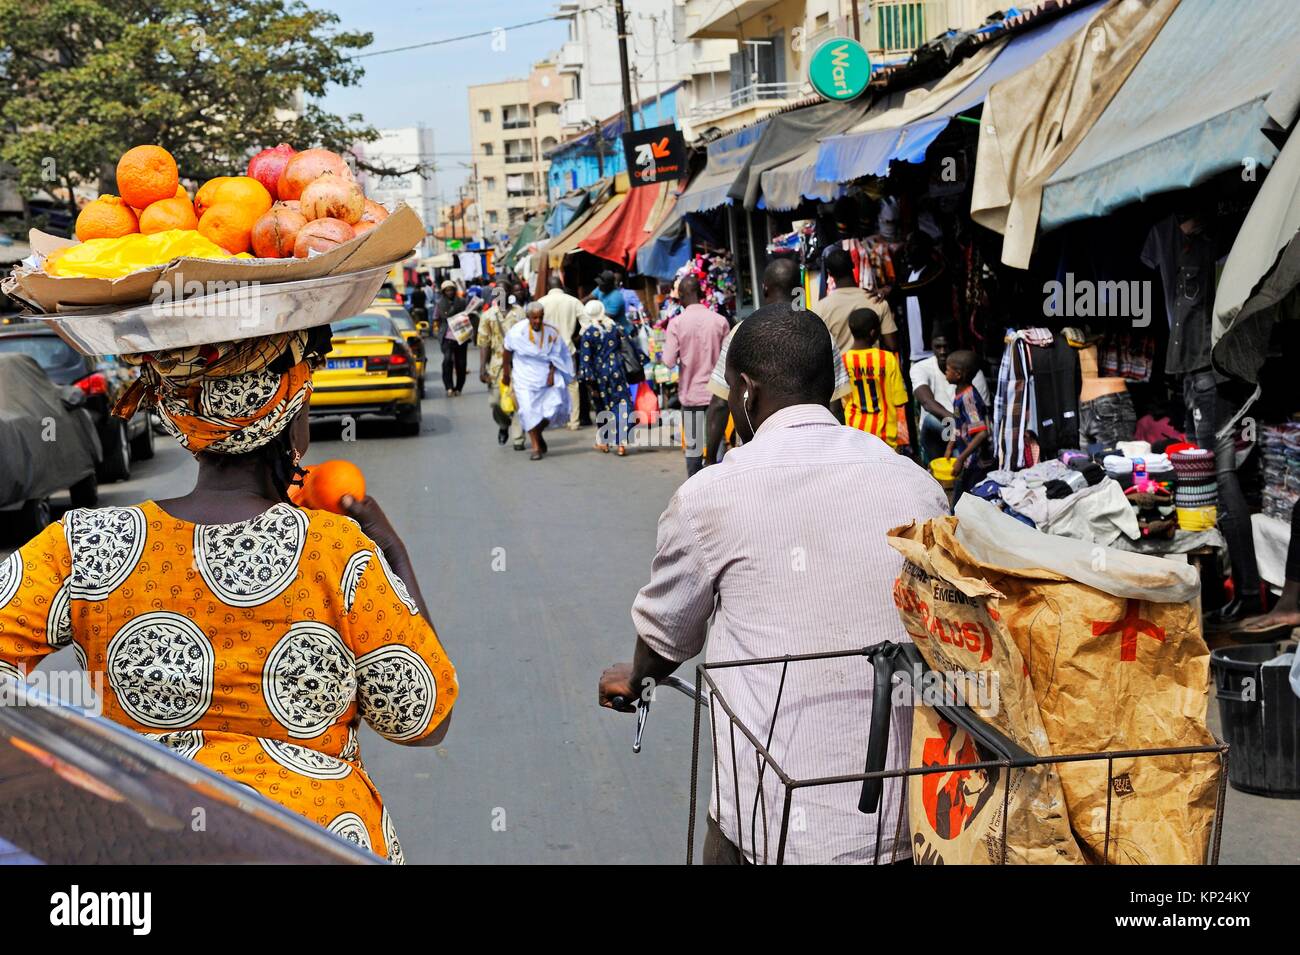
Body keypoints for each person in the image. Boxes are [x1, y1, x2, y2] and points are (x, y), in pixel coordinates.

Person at [0, 328, 457, 862]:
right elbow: (423, 721)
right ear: (293, 408)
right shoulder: (339, 551)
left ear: (175, 413)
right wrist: (394, 556)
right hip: (319, 841)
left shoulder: (83, 545)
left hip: (148, 841)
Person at [598, 302, 949, 865]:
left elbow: (666, 637)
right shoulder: (915, 484)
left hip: (773, 820)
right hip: (910, 821)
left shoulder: (710, 495)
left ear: (745, 390)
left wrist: (637, 678)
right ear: (829, 388)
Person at [704, 257, 854, 466]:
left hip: (755, 459)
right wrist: (839, 451)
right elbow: (835, 403)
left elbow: (720, 403)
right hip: (816, 454)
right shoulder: (819, 332)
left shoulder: (741, 332)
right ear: (799, 289)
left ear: (765, 289)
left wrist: (709, 458)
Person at [662, 274, 728, 476]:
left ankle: (696, 497)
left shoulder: (676, 324)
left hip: (691, 396)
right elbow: (729, 359)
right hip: (718, 396)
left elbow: (669, 361)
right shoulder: (720, 321)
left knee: (694, 453)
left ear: (681, 296)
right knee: (718, 450)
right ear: (700, 294)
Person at [909, 325, 991, 466]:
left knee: (959, 469)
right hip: (946, 427)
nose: (942, 352)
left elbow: (982, 430)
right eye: (938, 347)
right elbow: (927, 403)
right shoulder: (921, 368)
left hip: (965, 435)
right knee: (932, 420)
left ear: (959, 375)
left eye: (946, 346)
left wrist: (960, 458)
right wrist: (956, 424)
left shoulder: (969, 393)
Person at [502, 301, 573, 461]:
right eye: (534, 318)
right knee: (528, 411)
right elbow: (507, 350)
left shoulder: (551, 332)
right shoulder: (517, 332)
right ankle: (535, 447)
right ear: (528, 317)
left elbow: (558, 355)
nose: (537, 321)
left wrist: (551, 373)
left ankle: (538, 433)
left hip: (546, 375)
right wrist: (506, 373)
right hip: (524, 377)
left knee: (553, 409)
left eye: (540, 318)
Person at [841, 307, 908, 447]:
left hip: (855, 433)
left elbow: (840, 401)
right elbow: (899, 401)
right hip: (885, 436)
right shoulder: (887, 359)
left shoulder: (843, 361)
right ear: (873, 332)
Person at [817, 246, 898, 356]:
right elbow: (892, 345)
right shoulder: (876, 300)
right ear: (853, 265)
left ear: (829, 273)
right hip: (874, 370)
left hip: (841, 371)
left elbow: (819, 350)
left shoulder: (821, 308)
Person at [579, 299, 635, 456]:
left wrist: (589, 384)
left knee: (602, 407)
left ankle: (604, 442)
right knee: (621, 405)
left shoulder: (588, 333)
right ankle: (621, 444)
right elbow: (630, 345)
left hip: (600, 375)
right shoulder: (615, 327)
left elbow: (585, 361)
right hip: (618, 370)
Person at [478, 293, 526, 448]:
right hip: (496, 365)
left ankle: (518, 438)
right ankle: (504, 424)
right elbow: (484, 342)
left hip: (518, 362)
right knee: (495, 402)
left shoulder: (519, 313)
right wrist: (482, 368)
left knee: (518, 401)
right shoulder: (487, 315)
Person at [944, 349, 995, 495]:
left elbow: (982, 433)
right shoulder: (959, 393)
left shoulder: (968, 400)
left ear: (958, 374)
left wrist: (960, 458)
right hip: (968, 459)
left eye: (948, 370)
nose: (945, 373)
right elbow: (959, 423)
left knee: (970, 495)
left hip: (977, 462)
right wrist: (950, 445)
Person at [541, 274, 585, 431]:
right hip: (568, 348)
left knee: (548, 383)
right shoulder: (573, 301)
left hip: (547, 350)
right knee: (572, 384)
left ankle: (551, 418)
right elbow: (586, 325)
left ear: (548, 288)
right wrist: (576, 338)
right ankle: (574, 421)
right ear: (562, 286)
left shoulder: (541, 303)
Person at [436, 280, 469, 396]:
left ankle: (459, 387)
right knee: (447, 361)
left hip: (461, 336)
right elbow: (437, 318)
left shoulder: (462, 302)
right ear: (444, 292)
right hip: (447, 337)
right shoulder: (440, 304)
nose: (449, 292)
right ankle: (449, 387)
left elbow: (468, 315)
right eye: (447, 290)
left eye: (451, 290)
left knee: (461, 364)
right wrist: (440, 330)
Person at [590, 270, 630, 335]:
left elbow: (606, 317)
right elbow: (588, 298)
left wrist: (588, 316)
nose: (599, 286)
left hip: (620, 331)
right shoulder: (600, 288)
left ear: (609, 285)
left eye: (602, 284)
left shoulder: (616, 297)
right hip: (606, 326)